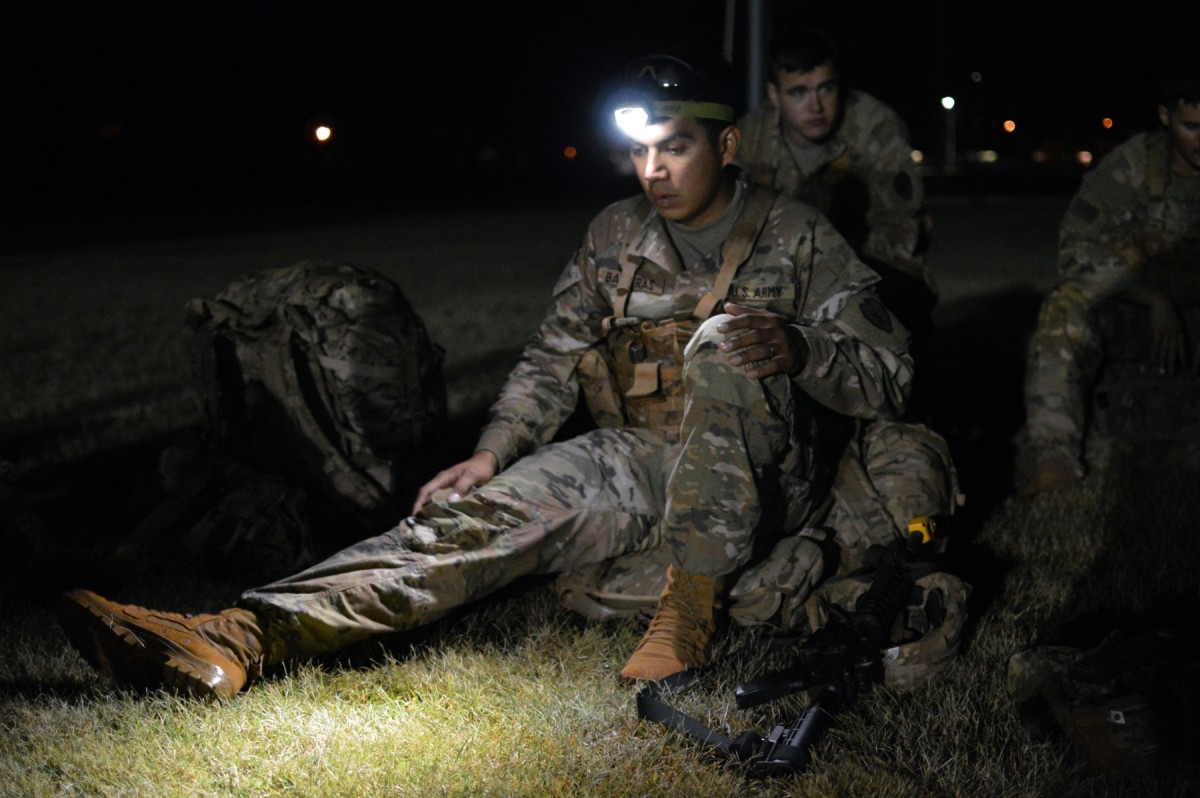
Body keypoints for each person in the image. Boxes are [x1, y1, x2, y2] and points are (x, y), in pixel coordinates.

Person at [59, 52, 946, 700]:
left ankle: (696, 604)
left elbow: (891, 376)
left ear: (730, 142)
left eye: (676, 147)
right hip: (638, 458)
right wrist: (491, 454)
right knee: (472, 523)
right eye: (642, 152)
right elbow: (552, 358)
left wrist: (799, 351)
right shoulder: (614, 234)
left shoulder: (798, 236)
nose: (654, 170)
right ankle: (242, 634)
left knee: (723, 340)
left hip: (767, 475)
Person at [1016, 57, 1200, 496]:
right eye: (1192, 127)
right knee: (1064, 307)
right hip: (1145, 319)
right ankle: (1054, 459)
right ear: (1165, 117)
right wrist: (1152, 298)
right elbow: (1076, 252)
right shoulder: (1133, 166)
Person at [735, 29, 936, 411]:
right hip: (778, 277)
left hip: (867, 267)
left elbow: (899, 230)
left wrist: (836, 279)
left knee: (901, 312)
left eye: (826, 89)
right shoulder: (751, 137)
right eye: (798, 93)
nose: (816, 106)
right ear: (775, 95)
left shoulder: (872, 125)